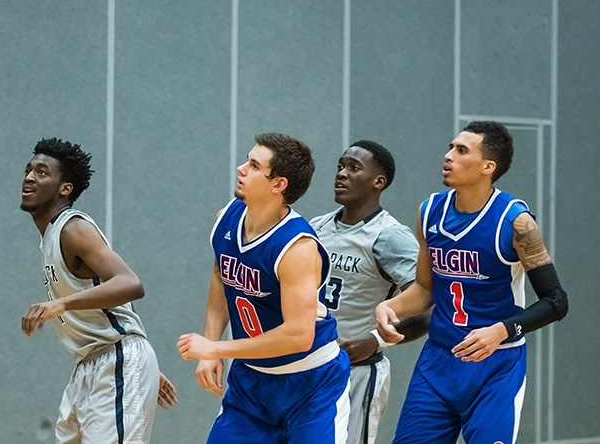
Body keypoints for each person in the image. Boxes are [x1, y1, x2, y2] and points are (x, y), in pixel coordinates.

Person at [375, 121, 569, 444]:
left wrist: (501, 330)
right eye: (451, 147)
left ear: (487, 166)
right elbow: (424, 290)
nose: (448, 155)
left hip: (496, 364)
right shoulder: (430, 211)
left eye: (461, 150)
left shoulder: (516, 223)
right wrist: (389, 306)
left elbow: (557, 301)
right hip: (439, 360)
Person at [177, 132, 350, 443]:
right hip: (251, 385)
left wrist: (218, 349)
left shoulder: (297, 248)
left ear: (278, 184)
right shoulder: (225, 219)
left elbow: (299, 336)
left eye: (254, 166)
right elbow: (221, 276)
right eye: (247, 160)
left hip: (311, 384)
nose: (241, 169)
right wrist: (210, 346)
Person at [19, 137, 177, 443]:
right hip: (93, 363)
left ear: (65, 188)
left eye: (41, 172)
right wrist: (140, 371)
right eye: (28, 170)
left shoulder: (72, 229)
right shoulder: (50, 237)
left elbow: (130, 283)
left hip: (115, 358)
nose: (28, 177)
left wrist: (60, 305)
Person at [308, 140, 429, 444]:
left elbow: (428, 307)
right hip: (308, 366)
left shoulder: (389, 236)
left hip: (357, 370)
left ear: (379, 182)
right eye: (339, 166)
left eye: (353, 167)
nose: (341, 174)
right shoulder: (316, 227)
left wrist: (375, 340)